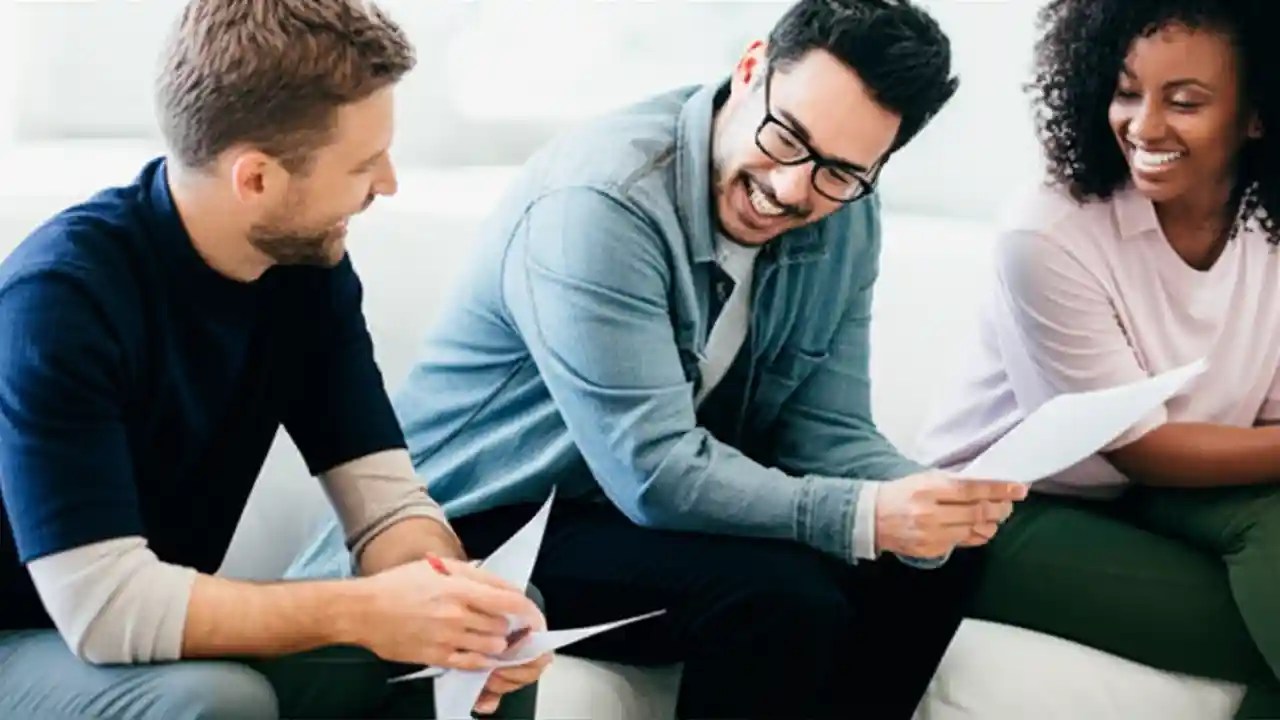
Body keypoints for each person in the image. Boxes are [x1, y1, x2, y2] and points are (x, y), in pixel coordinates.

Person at [287, 1, 1030, 717]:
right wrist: (866, 514)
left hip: (631, 523)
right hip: (497, 517)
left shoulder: (847, 215)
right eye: (784, 138)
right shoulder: (603, 199)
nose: (790, 187)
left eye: (840, 171)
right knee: (779, 596)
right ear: (750, 69)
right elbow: (654, 471)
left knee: (938, 562)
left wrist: (929, 500)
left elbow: (824, 429)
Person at [0, 1, 552, 718]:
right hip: (34, 635)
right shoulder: (59, 303)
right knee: (216, 701)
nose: (387, 182)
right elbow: (106, 610)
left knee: (486, 628)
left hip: (137, 637)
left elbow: (386, 506)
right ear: (255, 178)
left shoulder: (307, 269)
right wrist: (366, 610)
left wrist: (442, 590)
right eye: (362, 162)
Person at [912, 0, 1280, 717]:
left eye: (1185, 101)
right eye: (1126, 91)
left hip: (1165, 500)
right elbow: (1142, 449)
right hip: (1003, 510)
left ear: (1256, 116)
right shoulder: (1047, 231)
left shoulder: (1267, 228)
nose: (1143, 126)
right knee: (1258, 623)